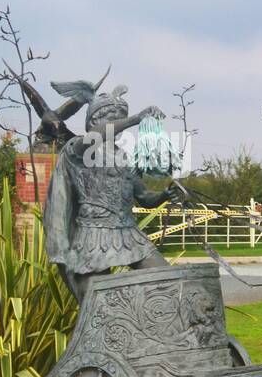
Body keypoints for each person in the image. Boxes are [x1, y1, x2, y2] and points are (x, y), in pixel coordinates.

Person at [44, 80, 185, 301]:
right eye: (114, 119)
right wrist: (134, 119)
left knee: (167, 282)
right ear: (95, 120)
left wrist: (164, 196)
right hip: (93, 239)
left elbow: (143, 197)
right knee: (96, 304)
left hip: (128, 235)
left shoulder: (123, 158)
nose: (119, 124)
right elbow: (96, 136)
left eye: (121, 119)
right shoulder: (79, 149)